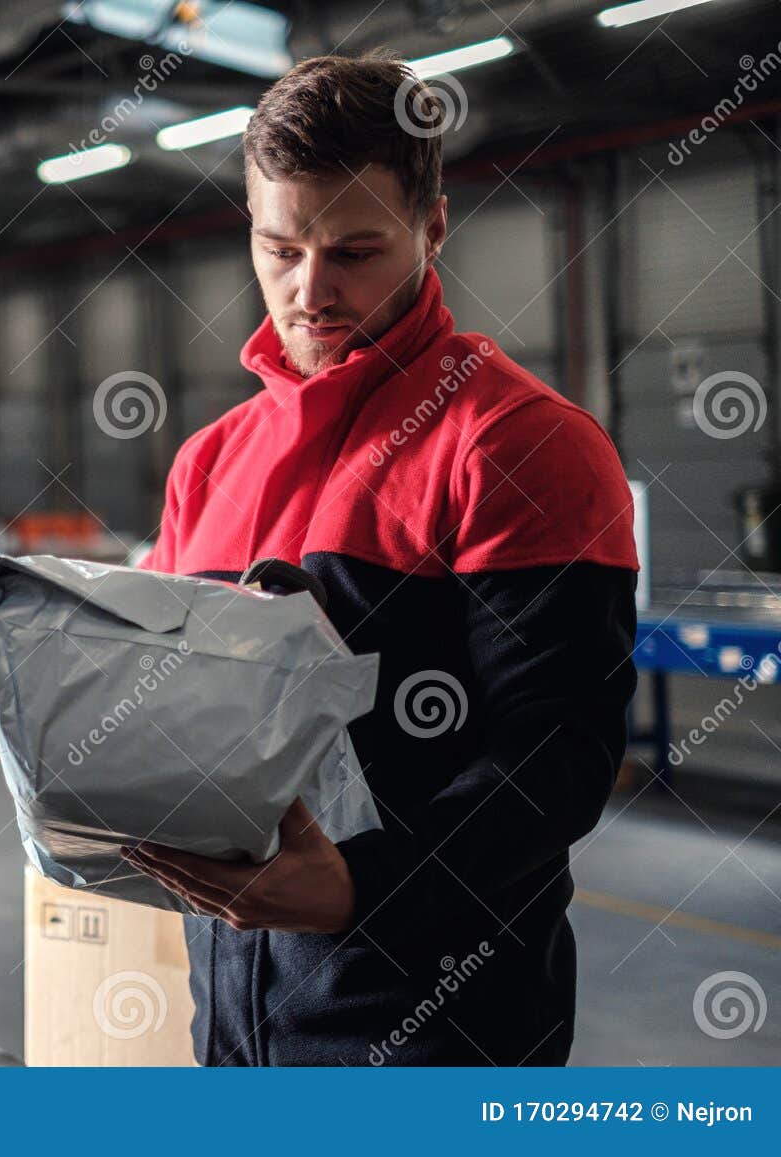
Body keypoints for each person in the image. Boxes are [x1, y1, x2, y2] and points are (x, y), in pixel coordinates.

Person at [122, 50, 639, 1066]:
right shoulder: (209, 462)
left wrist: (365, 882)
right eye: (280, 249)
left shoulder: (518, 444)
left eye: (354, 250)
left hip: (435, 1036)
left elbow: (558, 757)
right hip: (233, 1025)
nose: (310, 290)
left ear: (432, 226)